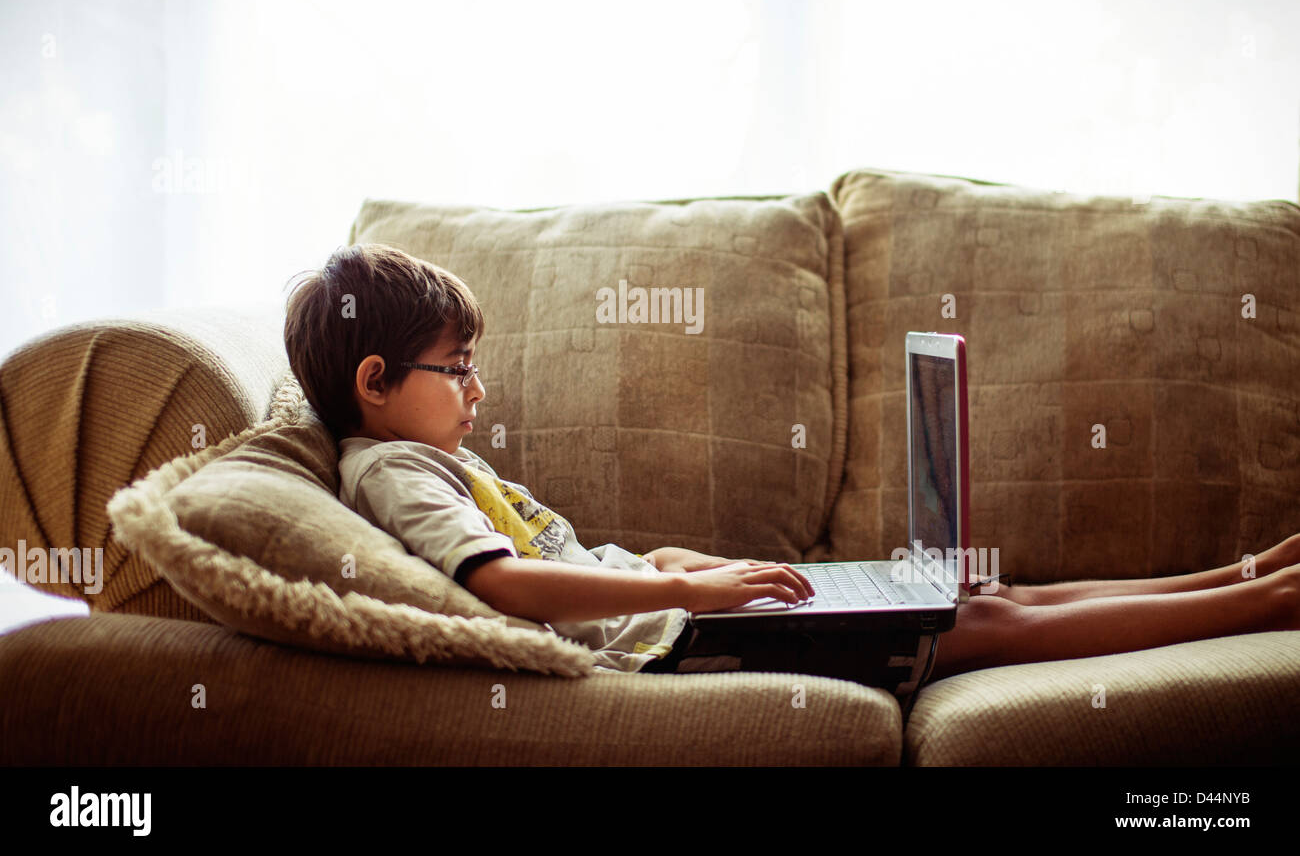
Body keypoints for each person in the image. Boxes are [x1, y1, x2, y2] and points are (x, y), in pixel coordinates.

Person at [283, 242, 1300, 689]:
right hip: (672, 651)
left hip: (671, 613)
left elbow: (553, 556)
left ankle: (1235, 575)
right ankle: (1262, 607)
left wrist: (661, 564)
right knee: (979, 622)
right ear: (375, 380)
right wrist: (687, 586)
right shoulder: (393, 475)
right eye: (456, 369)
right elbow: (502, 582)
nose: (477, 389)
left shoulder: (424, 461)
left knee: (979, 595)